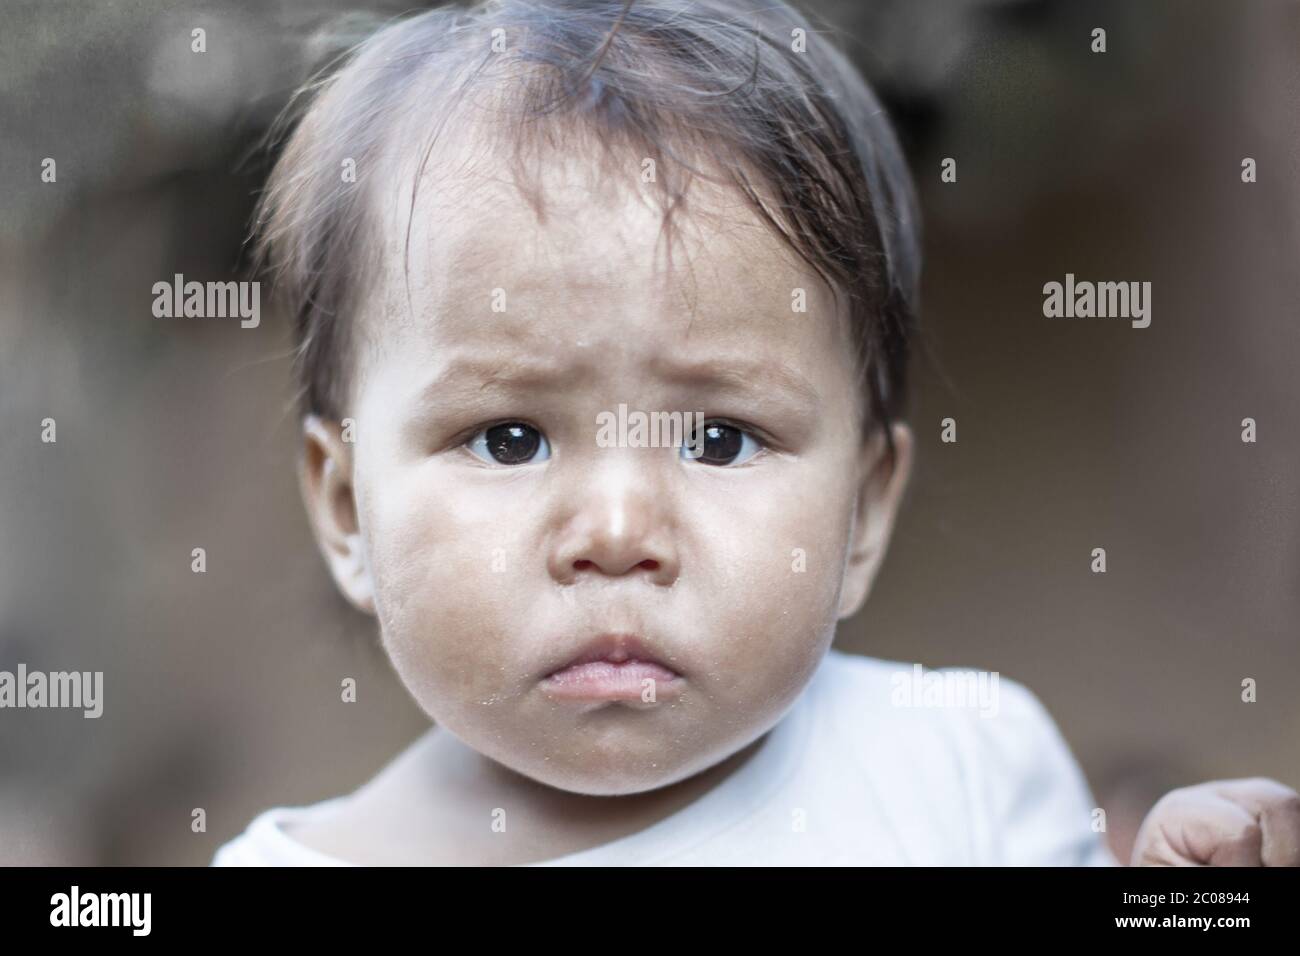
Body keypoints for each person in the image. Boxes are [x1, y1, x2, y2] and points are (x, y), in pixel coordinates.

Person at [212, 0, 1299, 866]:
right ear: (349, 506)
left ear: (865, 511)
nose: (617, 530)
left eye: (722, 438)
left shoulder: (953, 761)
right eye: (508, 437)